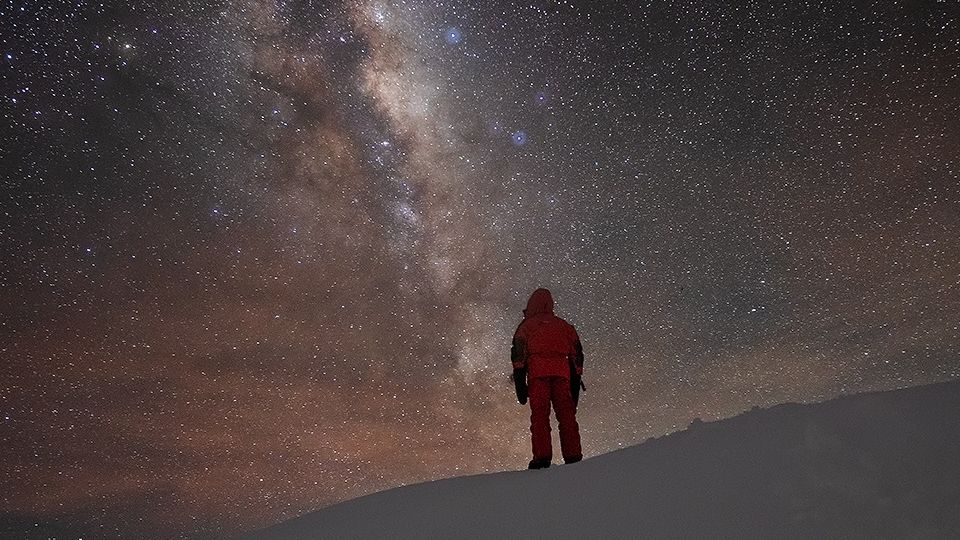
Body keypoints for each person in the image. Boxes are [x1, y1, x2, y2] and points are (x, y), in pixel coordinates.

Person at [511, 288, 584, 469]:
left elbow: (518, 355)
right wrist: (575, 381)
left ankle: (542, 458)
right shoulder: (564, 326)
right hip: (562, 376)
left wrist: (520, 383)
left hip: (538, 377)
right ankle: (573, 455)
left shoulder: (526, 326)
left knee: (540, 417)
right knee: (567, 416)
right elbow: (578, 355)